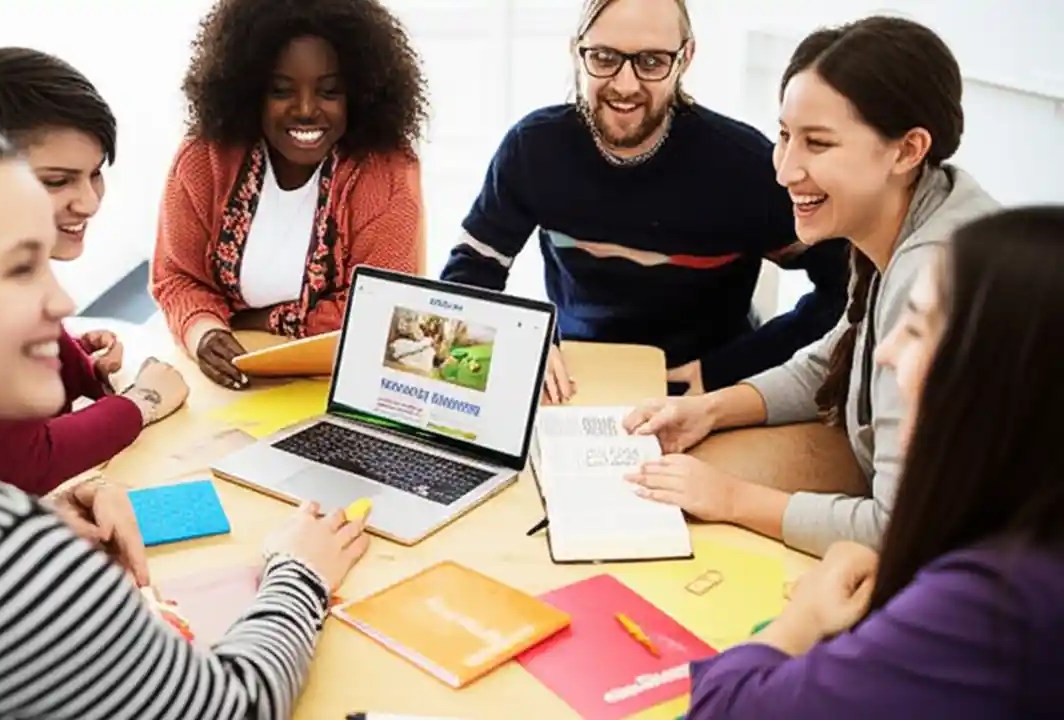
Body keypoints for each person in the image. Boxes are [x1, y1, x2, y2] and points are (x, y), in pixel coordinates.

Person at [0, 121, 368, 717]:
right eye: (18, 270)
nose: (61, 303)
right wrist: (300, 573)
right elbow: (232, 707)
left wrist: (41, 521)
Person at [622, 16, 999, 557]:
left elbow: (900, 529)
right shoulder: (918, 206)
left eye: (818, 144)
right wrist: (712, 407)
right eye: (784, 136)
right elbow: (836, 361)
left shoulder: (933, 279)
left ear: (908, 149)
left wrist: (731, 499)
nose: (784, 171)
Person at [686, 206, 1064, 718]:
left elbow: (727, 709)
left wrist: (806, 616)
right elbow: (834, 354)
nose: (884, 354)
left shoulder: (992, 606)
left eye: (915, 329)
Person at [440, 0, 849, 401]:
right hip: (578, 386)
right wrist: (518, 341)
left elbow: (846, 289)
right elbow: (470, 272)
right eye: (603, 58)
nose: (625, 85)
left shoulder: (745, 167)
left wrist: (733, 369)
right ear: (575, 51)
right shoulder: (533, 150)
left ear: (685, 58)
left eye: (651, 62)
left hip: (707, 395)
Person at [152, 0, 429, 389]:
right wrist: (205, 332)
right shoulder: (205, 158)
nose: (304, 109)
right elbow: (177, 276)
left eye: (330, 91)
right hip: (226, 383)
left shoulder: (386, 170)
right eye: (281, 90)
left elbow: (382, 308)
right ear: (250, 91)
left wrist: (263, 320)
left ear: (359, 93)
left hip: (341, 383)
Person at [0, 47, 189, 494]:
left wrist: (76, 359)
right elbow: (25, 464)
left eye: (95, 174)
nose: (90, 202)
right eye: (58, 181)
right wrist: (143, 401)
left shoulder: (5, 258)